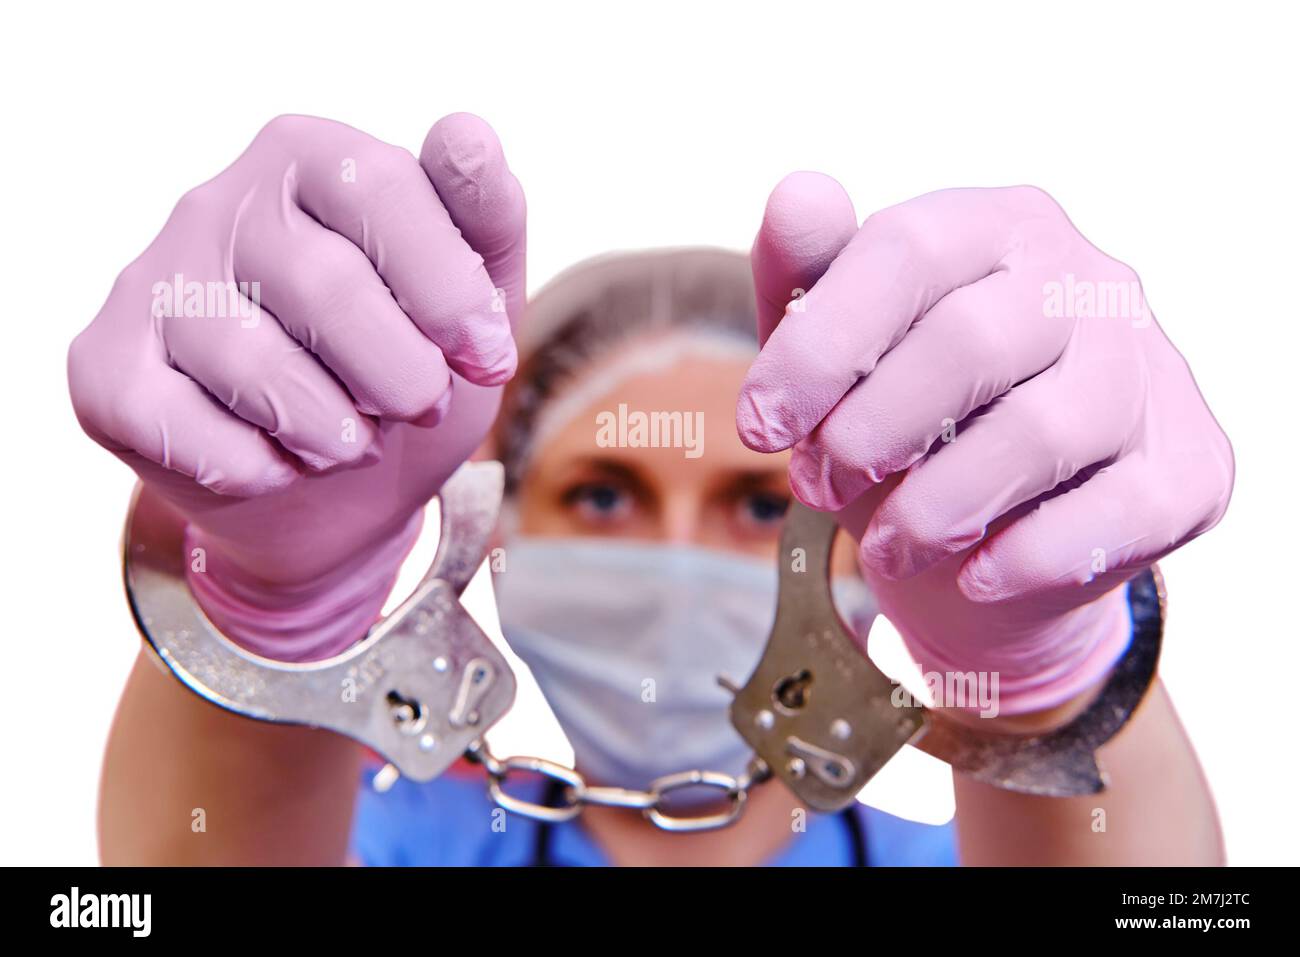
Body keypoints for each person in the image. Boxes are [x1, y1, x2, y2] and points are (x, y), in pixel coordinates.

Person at [70, 113, 1233, 867]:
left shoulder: (959, 857)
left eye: (763, 503)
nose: (678, 553)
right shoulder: (391, 840)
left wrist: (1045, 675)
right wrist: (277, 601)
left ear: (860, 560)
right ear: (499, 532)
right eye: (605, 497)